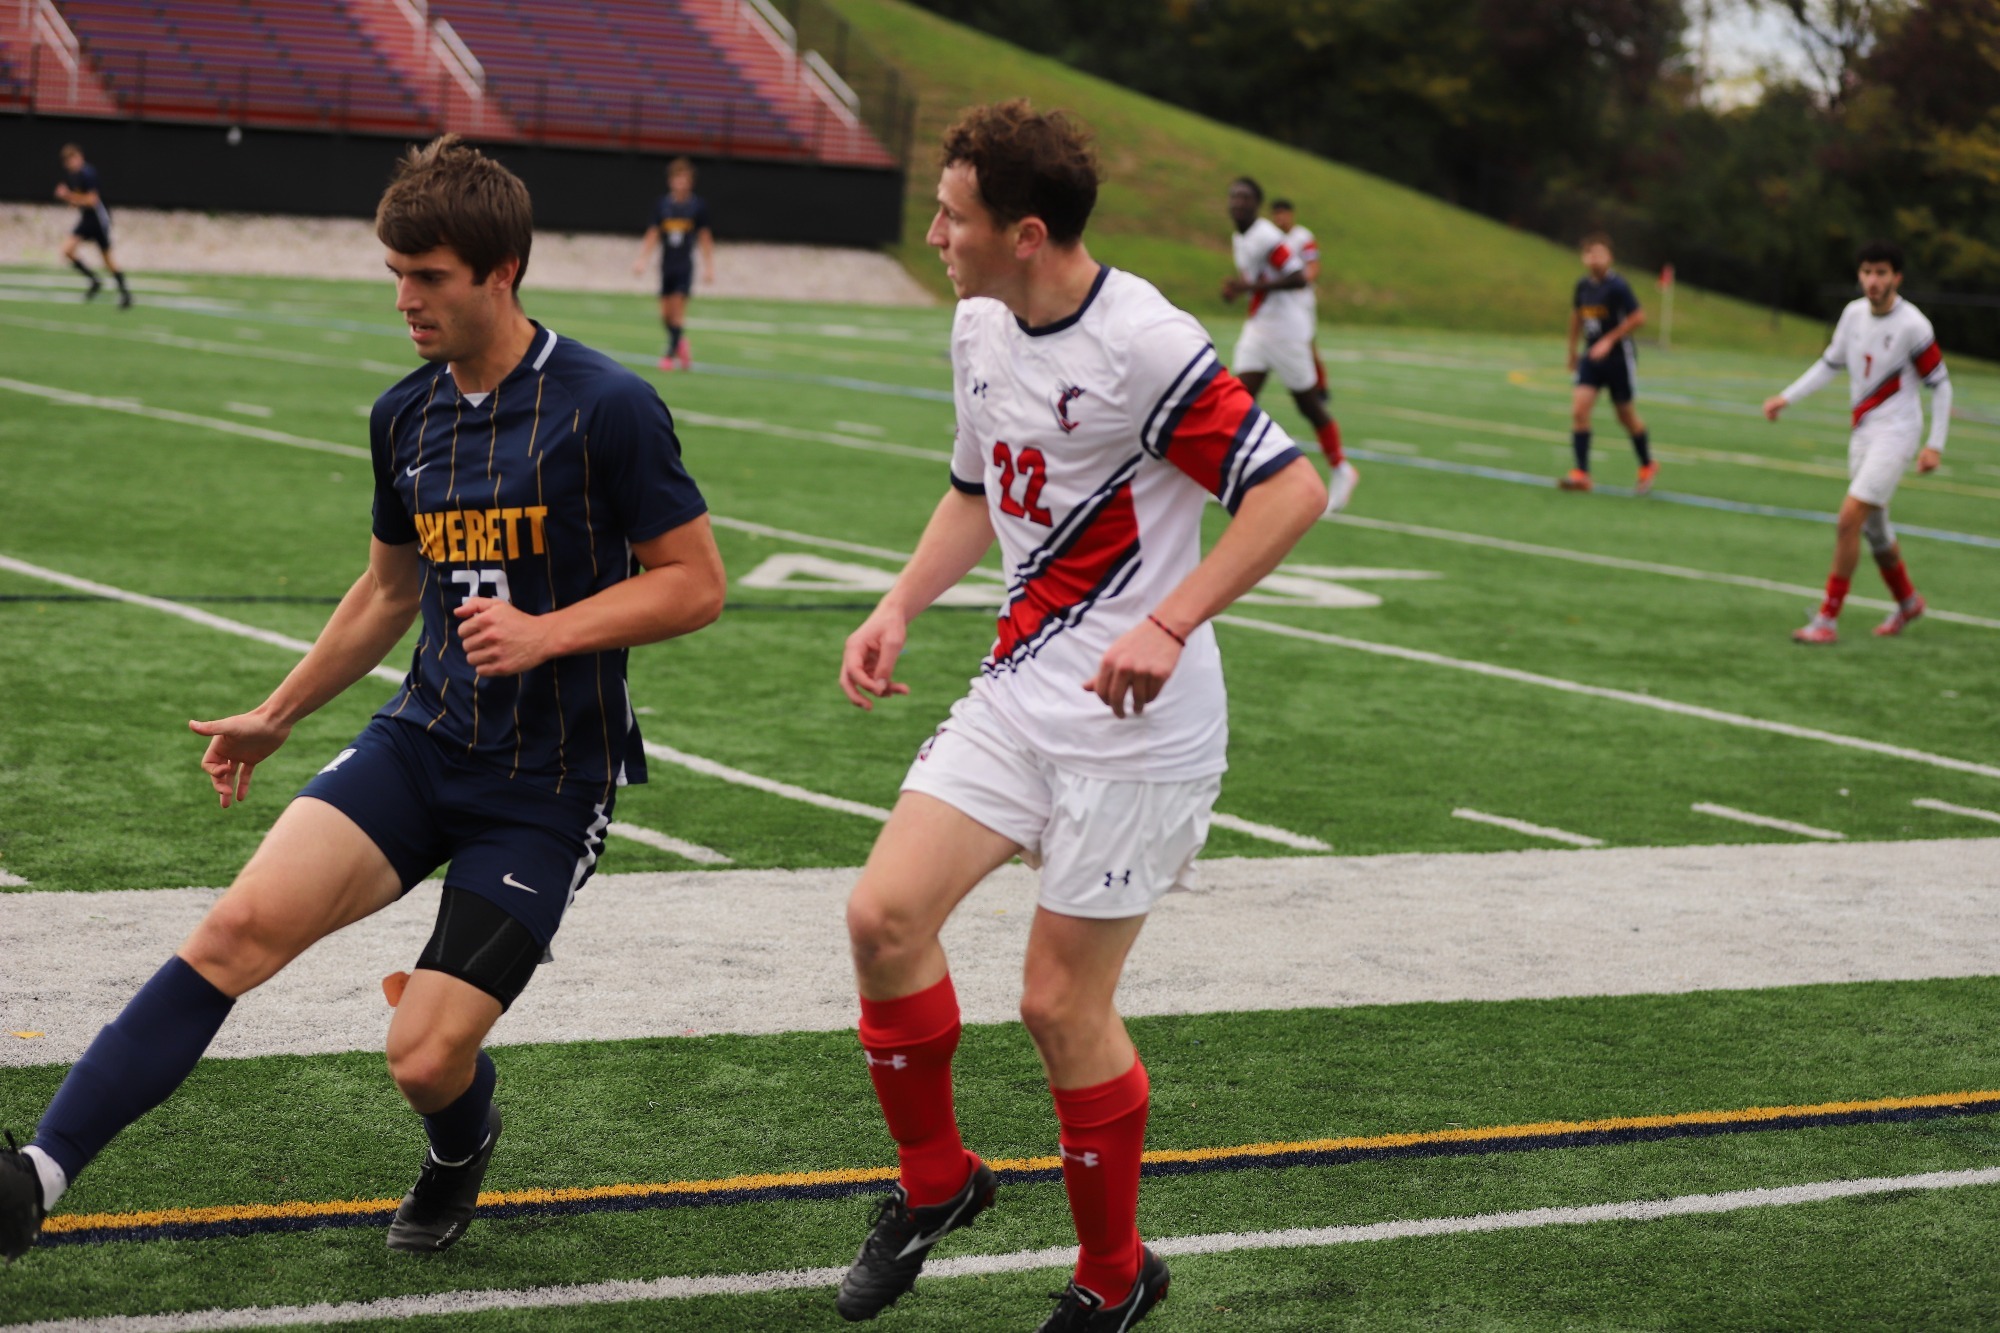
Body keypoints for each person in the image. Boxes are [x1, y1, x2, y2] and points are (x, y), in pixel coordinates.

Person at [0, 135, 724, 1261]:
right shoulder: (404, 415)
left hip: (545, 784)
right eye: (395, 272)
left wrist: (548, 631)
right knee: (234, 929)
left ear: (501, 271)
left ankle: (456, 1145)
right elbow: (389, 589)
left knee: (423, 1056)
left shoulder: (607, 407)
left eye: (428, 276)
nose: (405, 299)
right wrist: (276, 712)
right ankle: (37, 1176)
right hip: (420, 743)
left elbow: (695, 584)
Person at [834, 101, 1326, 1330]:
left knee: (1058, 1006)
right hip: (1019, 687)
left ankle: (1115, 1275)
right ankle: (936, 1183)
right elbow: (973, 485)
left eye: (953, 216)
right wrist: (898, 602)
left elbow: (1288, 489)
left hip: (1137, 729)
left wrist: (1170, 621)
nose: (936, 234)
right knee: (882, 916)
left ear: (1027, 230)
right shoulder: (978, 322)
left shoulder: (1143, 343)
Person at [1764, 240, 1949, 644]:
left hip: (1897, 434)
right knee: (1875, 531)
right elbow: (1829, 364)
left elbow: (1941, 384)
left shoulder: (1913, 325)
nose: (1873, 280)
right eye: (1867, 272)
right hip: (1863, 433)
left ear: (1897, 277)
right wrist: (1786, 396)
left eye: (1882, 272)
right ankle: (1908, 602)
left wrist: (1935, 443)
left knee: (1849, 519)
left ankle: (1827, 619)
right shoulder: (1852, 315)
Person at [1222, 177, 1357, 514]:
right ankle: (1229, 477)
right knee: (1238, 399)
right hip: (1259, 329)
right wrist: (1240, 290)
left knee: (1308, 405)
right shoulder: (1240, 235)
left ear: (1256, 204)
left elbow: (1297, 276)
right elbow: (1257, 283)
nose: (1237, 203)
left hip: (1286, 331)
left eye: (1245, 198)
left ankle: (1342, 469)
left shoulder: (1266, 236)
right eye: (1234, 197)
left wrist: (1248, 287)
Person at [1562, 233, 1653, 493]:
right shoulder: (1582, 286)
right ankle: (1582, 473)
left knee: (1625, 416)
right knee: (1579, 411)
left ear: (1610, 257)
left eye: (1600, 253)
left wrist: (1609, 340)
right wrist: (1571, 350)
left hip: (1618, 359)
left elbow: (1638, 317)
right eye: (1590, 253)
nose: (1595, 259)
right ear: (1583, 258)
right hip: (1591, 358)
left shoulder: (1618, 286)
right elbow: (1576, 316)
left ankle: (1647, 464)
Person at [632, 157, 715, 372]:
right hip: (666, 265)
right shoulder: (663, 205)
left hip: (684, 266)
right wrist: (642, 259)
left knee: (678, 311)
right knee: (665, 315)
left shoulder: (697, 206)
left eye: (684, 179)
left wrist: (709, 266)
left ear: (690, 182)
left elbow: (705, 237)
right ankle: (680, 343)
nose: (681, 183)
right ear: (671, 181)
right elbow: (653, 233)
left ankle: (669, 355)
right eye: (677, 179)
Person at [1267, 198, 1330, 401]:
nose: (1280, 218)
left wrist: (1302, 280)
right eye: (1276, 214)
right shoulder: (1270, 237)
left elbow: (1313, 264)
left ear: (1291, 215)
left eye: (1284, 213)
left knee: (1306, 340)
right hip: (1278, 299)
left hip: (1300, 298)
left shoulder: (1303, 236)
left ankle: (1319, 385)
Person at [54, 143, 130, 308]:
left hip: (97, 220)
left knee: (107, 258)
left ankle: (125, 293)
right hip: (87, 219)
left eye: (73, 159)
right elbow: (78, 200)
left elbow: (91, 200)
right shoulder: (74, 176)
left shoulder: (88, 173)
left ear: (79, 157)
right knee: (67, 250)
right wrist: (69, 199)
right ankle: (94, 280)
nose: (71, 164)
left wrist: (67, 195)